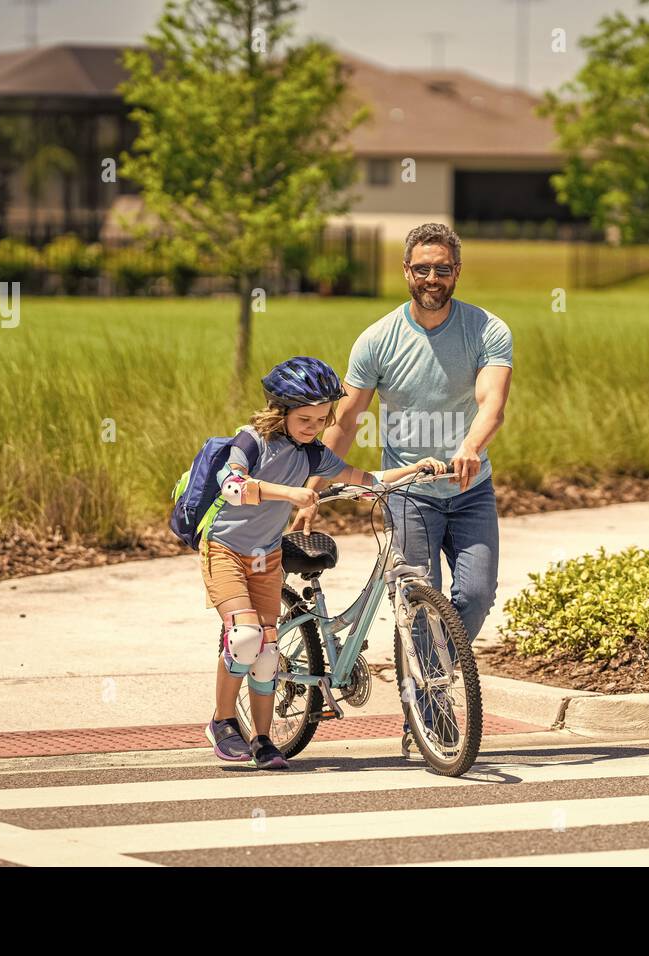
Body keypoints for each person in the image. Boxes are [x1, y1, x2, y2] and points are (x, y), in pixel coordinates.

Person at [292, 222, 513, 760]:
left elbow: (492, 403)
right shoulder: (377, 340)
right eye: (422, 268)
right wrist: (313, 489)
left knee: (476, 595)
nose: (432, 278)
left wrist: (469, 447)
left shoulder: (487, 330)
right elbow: (345, 423)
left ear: (456, 271)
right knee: (417, 601)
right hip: (409, 494)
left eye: (442, 268)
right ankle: (430, 718)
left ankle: (428, 681)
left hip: (470, 487)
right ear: (406, 271)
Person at [202, 355, 447, 769]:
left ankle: (262, 740)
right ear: (280, 411)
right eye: (305, 419)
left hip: (267, 556)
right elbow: (231, 485)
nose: (313, 428)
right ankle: (223, 721)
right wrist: (289, 494)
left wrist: (414, 471)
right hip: (224, 549)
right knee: (244, 639)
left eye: (321, 420)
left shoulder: (313, 454)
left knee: (266, 653)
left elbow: (363, 476)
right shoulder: (251, 441)